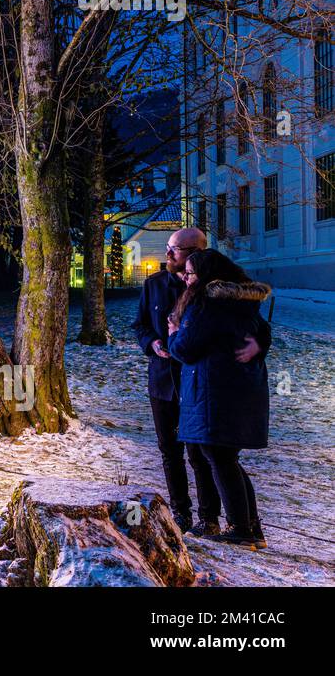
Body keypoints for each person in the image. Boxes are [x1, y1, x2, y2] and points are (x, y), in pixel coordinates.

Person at [167, 249, 272, 549]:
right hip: (241, 390)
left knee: (219, 457)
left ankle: (241, 528)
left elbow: (187, 348)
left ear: (207, 275)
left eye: (190, 273)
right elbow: (264, 333)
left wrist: (174, 333)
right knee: (227, 458)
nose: (185, 278)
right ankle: (251, 527)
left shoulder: (207, 304)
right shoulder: (241, 301)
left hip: (215, 390)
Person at [133, 227, 221, 534]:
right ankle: (181, 512)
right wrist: (153, 344)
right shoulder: (155, 284)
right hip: (161, 381)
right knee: (170, 451)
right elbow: (140, 325)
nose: (168, 254)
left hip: (196, 383)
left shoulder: (210, 290)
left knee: (200, 454)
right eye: (168, 248)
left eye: (175, 250)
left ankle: (208, 517)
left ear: (194, 253)